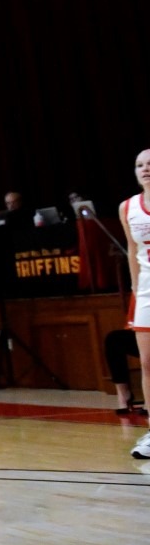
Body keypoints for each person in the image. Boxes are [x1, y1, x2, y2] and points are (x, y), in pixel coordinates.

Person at [119, 148, 150, 459]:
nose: (145, 169)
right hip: (145, 293)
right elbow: (131, 249)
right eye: (139, 164)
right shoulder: (127, 207)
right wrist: (134, 286)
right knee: (147, 363)